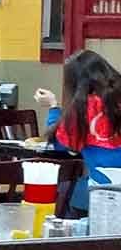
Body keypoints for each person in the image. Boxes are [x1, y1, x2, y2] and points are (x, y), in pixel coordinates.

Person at [35, 49, 121, 210]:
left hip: (106, 192)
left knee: (68, 193)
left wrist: (53, 107)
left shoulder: (83, 108)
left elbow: (62, 144)